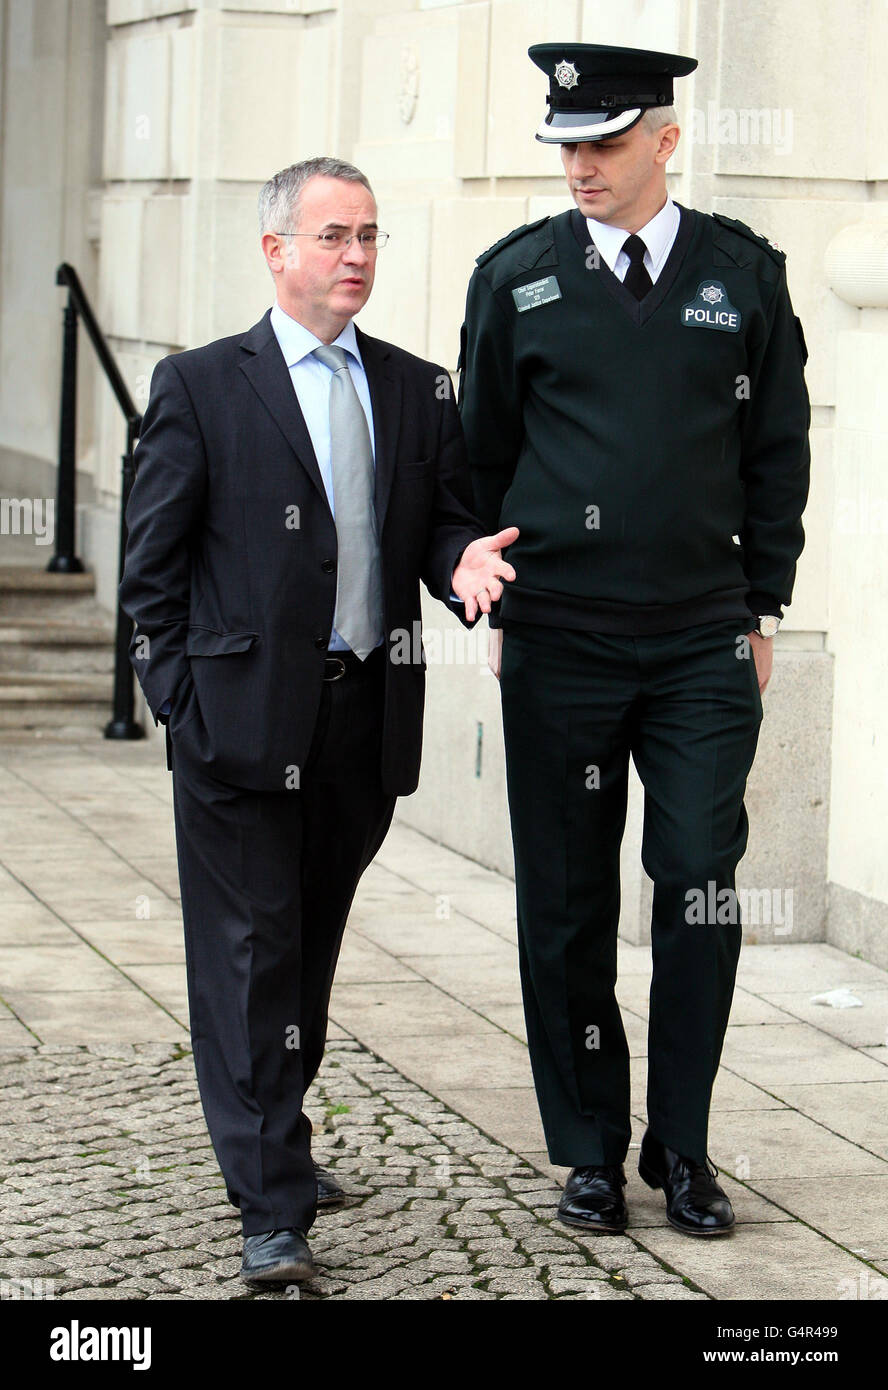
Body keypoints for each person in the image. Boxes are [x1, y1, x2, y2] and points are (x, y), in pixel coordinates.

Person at [120, 156, 517, 1284]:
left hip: (362, 721)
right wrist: (179, 703)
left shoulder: (416, 388)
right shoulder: (200, 385)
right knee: (250, 957)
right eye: (335, 235)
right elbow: (149, 574)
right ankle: (271, 1208)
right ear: (276, 251)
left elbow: (436, 526)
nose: (356, 256)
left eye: (372, 236)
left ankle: (273, 1138)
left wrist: (464, 563)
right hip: (237, 727)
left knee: (309, 951)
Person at [458, 44, 810, 1237]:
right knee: (563, 898)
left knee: (699, 884)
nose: (580, 165)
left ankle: (689, 1142)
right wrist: (495, 592)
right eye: (566, 142)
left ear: (667, 140)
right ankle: (592, 1148)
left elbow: (778, 456)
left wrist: (764, 604)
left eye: (605, 141)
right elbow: (481, 456)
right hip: (560, 638)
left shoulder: (745, 279)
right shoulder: (515, 281)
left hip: (703, 642)